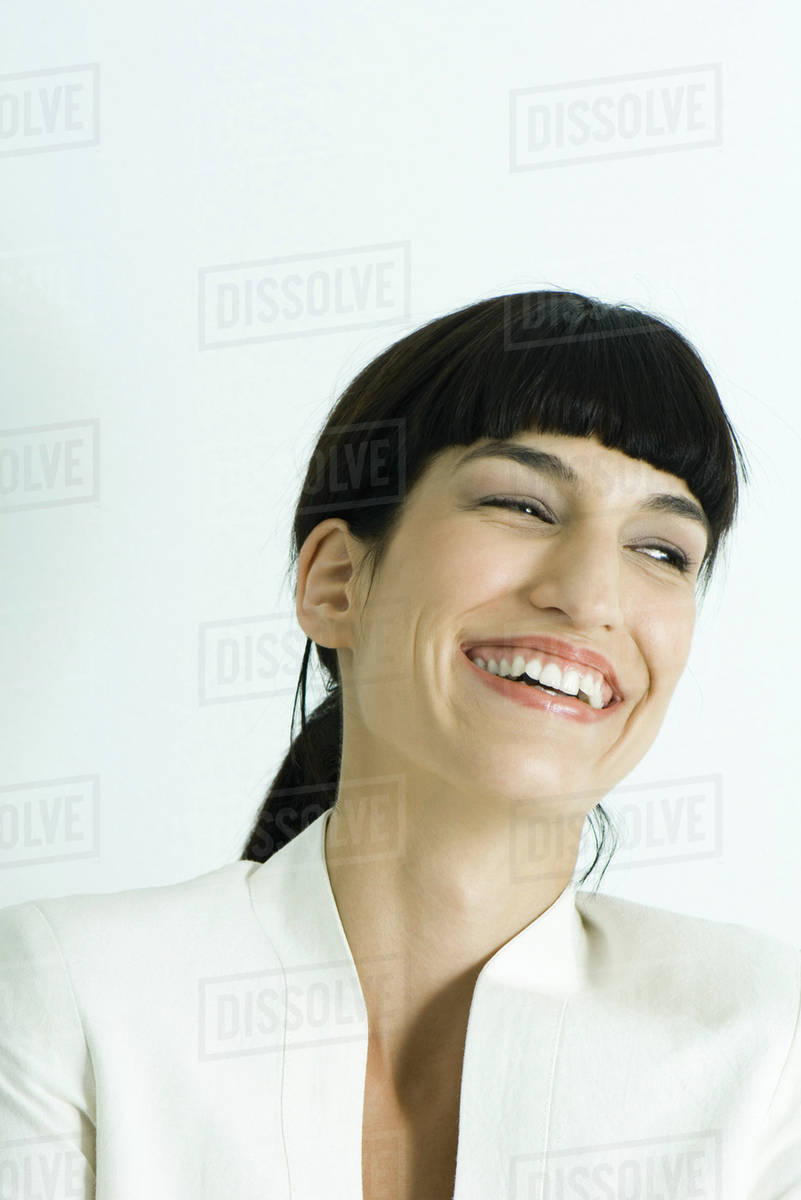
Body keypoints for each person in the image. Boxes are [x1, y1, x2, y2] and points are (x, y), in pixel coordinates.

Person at [1, 290, 799, 1200]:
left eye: (661, 551)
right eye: (521, 504)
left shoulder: (764, 1048)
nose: (590, 595)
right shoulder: (74, 998)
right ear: (336, 581)